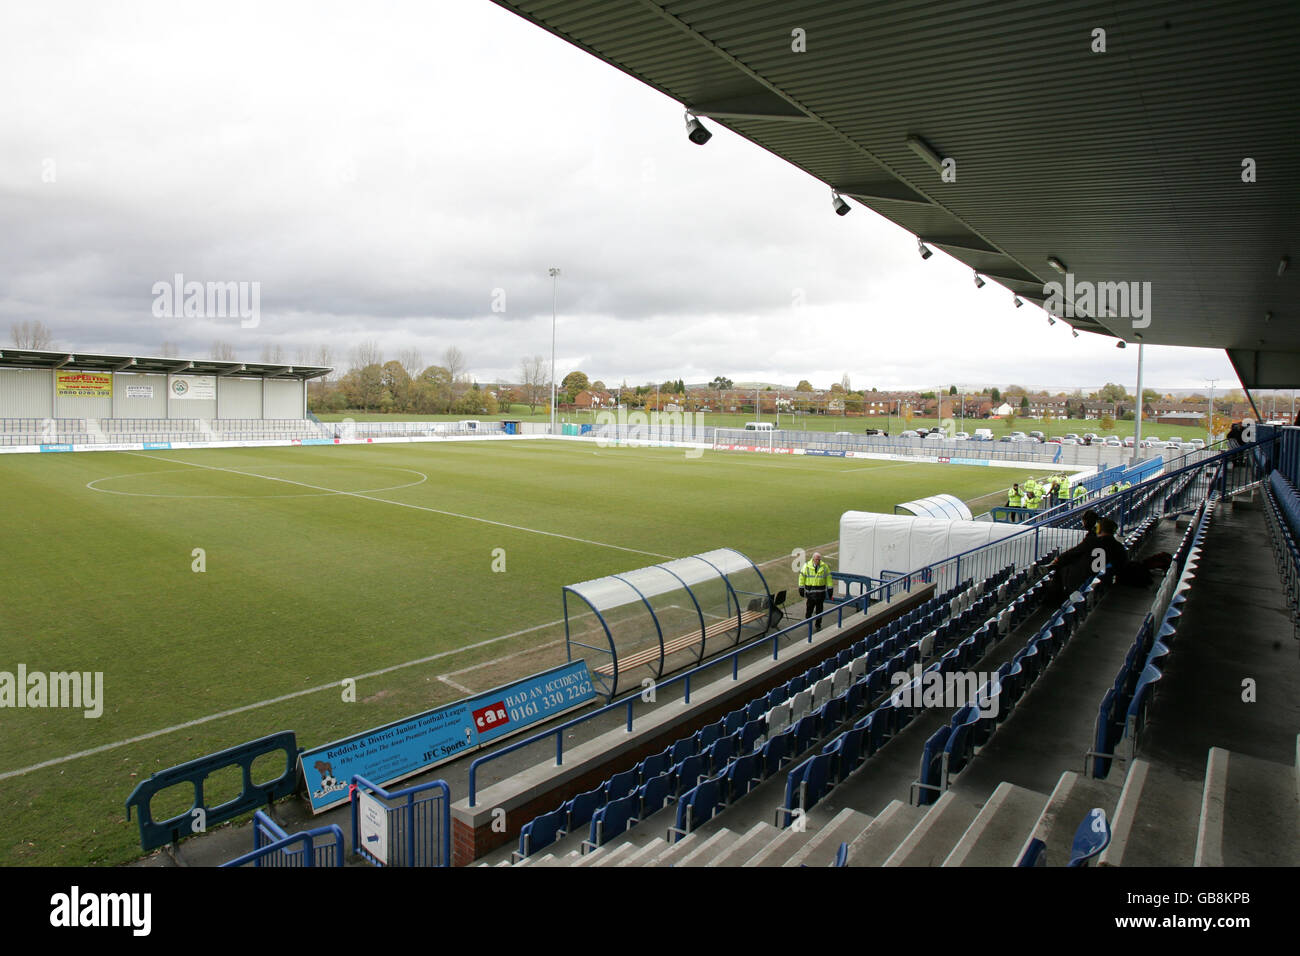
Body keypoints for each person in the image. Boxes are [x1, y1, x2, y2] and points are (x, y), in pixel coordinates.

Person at [798, 551, 833, 631]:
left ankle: (818, 625)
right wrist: (801, 587)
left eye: (819, 559)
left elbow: (828, 578)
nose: (818, 561)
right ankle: (808, 620)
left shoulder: (824, 567)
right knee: (809, 609)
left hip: (821, 594)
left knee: (819, 610)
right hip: (810, 593)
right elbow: (801, 577)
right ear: (813, 559)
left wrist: (830, 589)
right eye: (817, 559)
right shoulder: (806, 566)